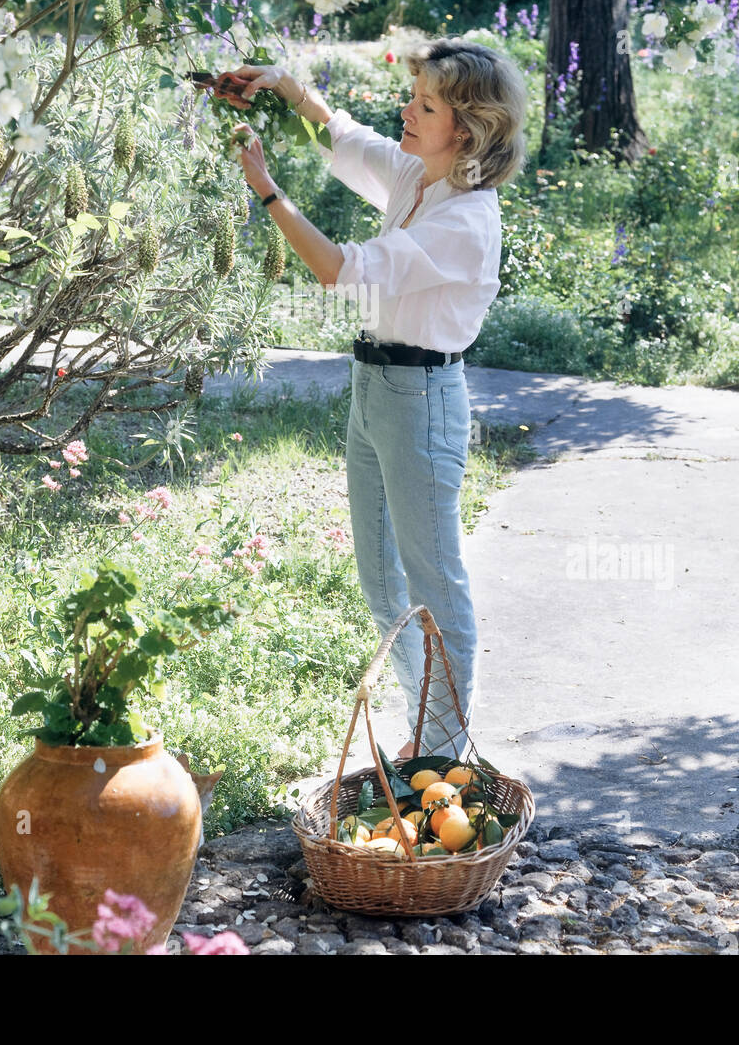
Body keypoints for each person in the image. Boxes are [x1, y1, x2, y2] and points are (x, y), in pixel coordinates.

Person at [225, 38, 528, 760]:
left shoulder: (465, 218)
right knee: (382, 585)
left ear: (469, 128)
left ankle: (445, 755)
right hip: (376, 388)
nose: (408, 110)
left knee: (434, 587)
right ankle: (428, 729)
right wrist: (286, 89)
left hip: (422, 399)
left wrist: (266, 190)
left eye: (426, 105)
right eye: (413, 97)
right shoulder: (419, 178)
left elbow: (341, 271)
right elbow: (349, 139)